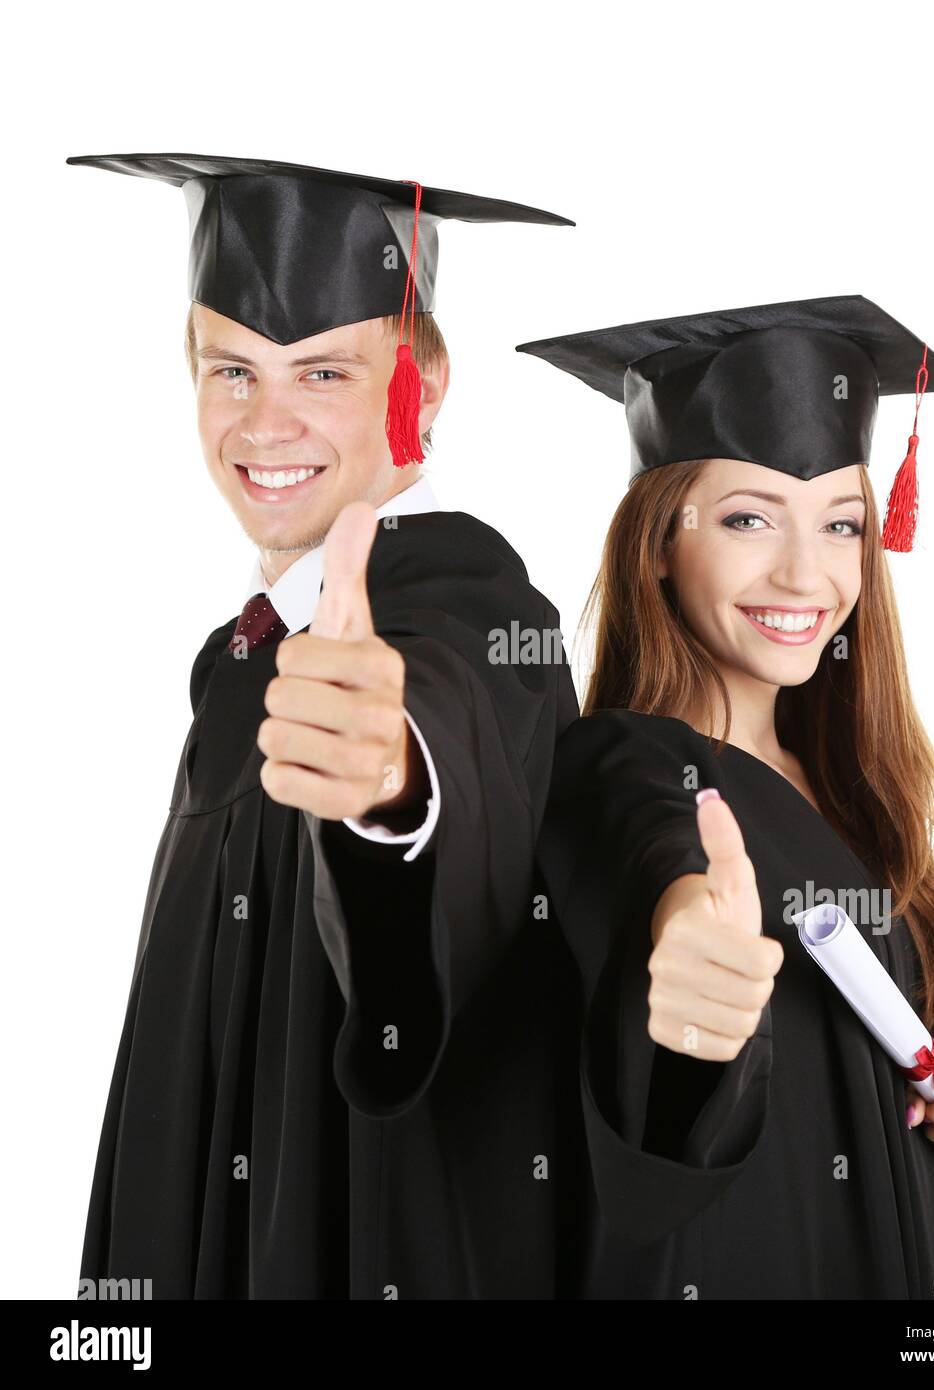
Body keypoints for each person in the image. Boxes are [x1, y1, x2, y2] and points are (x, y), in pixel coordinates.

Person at [70, 152, 583, 1299]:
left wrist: (393, 785)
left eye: (324, 372)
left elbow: (446, 740)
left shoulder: (474, 605)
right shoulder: (239, 658)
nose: (267, 422)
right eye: (232, 371)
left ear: (425, 385)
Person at [520, 295, 934, 1299]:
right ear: (658, 539)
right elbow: (649, 847)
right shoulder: (618, 766)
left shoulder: (856, 790)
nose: (805, 572)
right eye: (747, 518)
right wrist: (680, 942)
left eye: (840, 524)